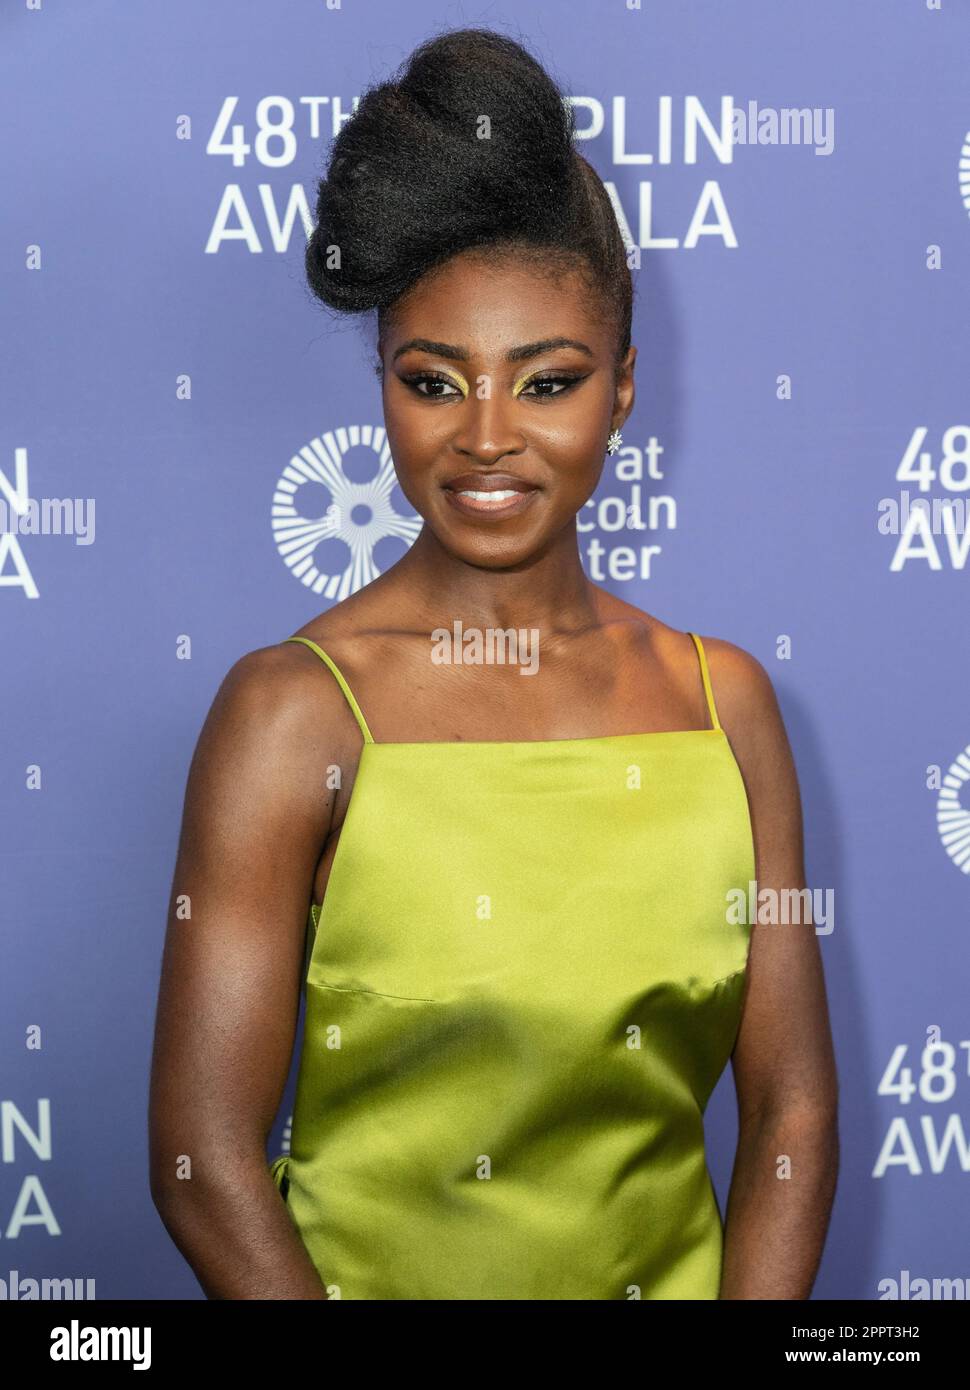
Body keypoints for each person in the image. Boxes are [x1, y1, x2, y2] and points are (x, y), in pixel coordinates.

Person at [149, 26, 838, 1300]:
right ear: (382, 385)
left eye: (548, 382)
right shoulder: (292, 714)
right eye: (431, 381)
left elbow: (792, 1116)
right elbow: (200, 1161)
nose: (484, 440)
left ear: (623, 387)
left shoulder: (724, 707)